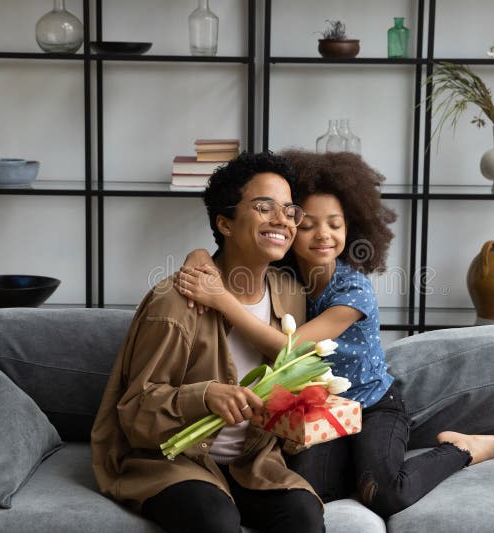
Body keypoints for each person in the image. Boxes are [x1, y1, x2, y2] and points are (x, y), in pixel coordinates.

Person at [177, 150, 494, 518]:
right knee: (304, 490)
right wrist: (198, 255)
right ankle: (361, 465)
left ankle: (462, 449)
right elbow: (232, 250)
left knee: (385, 494)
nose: (323, 235)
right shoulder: (284, 279)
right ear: (289, 226)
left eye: (335, 224)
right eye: (307, 225)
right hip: (322, 412)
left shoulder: (353, 290)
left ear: (351, 227)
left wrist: (222, 301)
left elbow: (292, 351)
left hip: (373, 407)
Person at [91, 152, 324, 533]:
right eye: (264, 207)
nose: (282, 219)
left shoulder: (291, 295)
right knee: (214, 520)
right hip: (176, 463)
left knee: (304, 516)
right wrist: (205, 396)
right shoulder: (176, 301)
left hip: (253, 463)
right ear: (224, 222)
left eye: (289, 210)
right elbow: (133, 413)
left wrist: (290, 413)